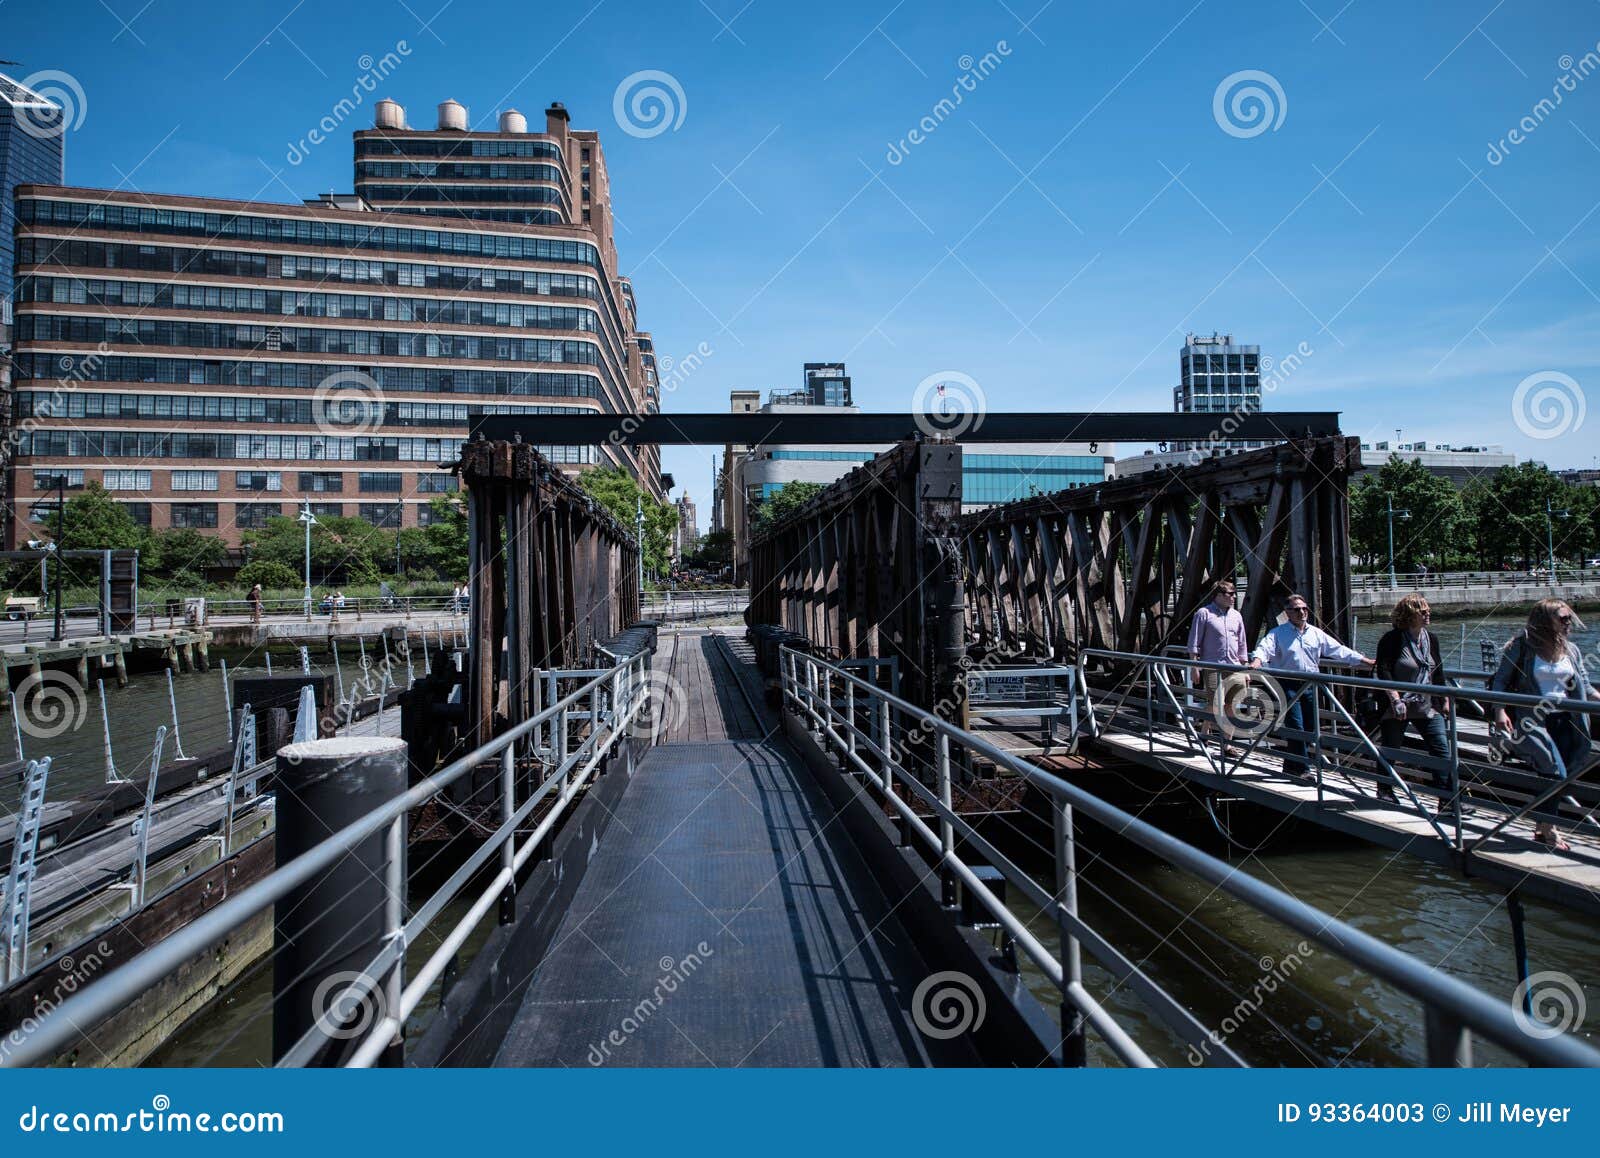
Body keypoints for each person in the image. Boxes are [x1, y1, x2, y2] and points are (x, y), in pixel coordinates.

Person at [1488, 598, 1598, 851]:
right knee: (1555, 773)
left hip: (1568, 721)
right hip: (1533, 720)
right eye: (1562, 617)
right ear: (1544, 619)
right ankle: (1550, 831)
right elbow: (1501, 682)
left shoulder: (1571, 650)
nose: (1568, 621)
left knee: (1561, 777)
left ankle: (1541, 824)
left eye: (1569, 617)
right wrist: (1499, 710)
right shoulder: (1522, 647)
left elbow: (1586, 686)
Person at [1248, 593, 1375, 778]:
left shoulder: (1315, 633)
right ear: (1288, 612)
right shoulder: (1278, 633)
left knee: (1309, 727)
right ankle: (1302, 769)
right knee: (1296, 725)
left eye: (1304, 608)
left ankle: (1291, 764)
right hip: (1288, 684)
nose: (1302, 612)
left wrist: (1365, 661)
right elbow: (1264, 649)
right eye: (1297, 609)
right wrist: (1256, 663)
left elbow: (1338, 650)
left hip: (1310, 685)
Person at [1374, 593, 1454, 810]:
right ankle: (1385, 790)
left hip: (1426, 704)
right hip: (1398, 704)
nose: (1428, 613)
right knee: (1391, 747)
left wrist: (1444, 699)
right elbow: (1384, 670)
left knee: (1441, 750)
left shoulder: (1431, 639)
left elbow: (1438, 672)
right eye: (1423, 611)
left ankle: (1447, 800)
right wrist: (1395, 699)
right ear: (1410, 615)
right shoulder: (1392, 640)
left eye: (1428, 610)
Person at [1187, 580, 1248, 751]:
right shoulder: (1204, 613)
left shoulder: (1237, 615)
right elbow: (1194, 641)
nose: (1233, 597)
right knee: (1215, 702)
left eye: (1234, 593)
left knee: (1231, 704)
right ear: (1219, 595)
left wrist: (1245, 668)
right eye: (1230, 594)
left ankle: (1227, 744)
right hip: (1212, 664)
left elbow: (1242, 643)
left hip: (1234, 665)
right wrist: (1194, 667)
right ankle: (1205, 731)